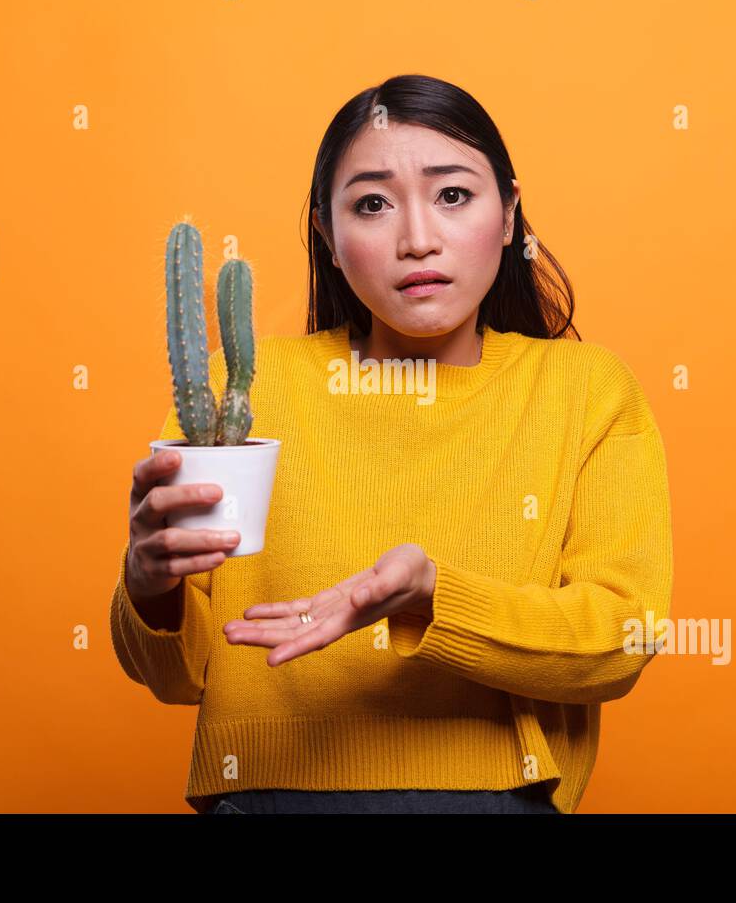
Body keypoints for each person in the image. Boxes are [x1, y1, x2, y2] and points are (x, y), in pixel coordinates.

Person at [110, 74, 674, 815]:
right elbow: (174, 676)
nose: (417, 239)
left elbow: (621, 638)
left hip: (496, 799)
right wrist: (150, 588)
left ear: (508, 216)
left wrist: (432, 595)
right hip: (265, 798)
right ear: (328, 237)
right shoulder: (241, 394)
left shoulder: (587, 391)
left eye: (453, 195)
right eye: (372, 203)